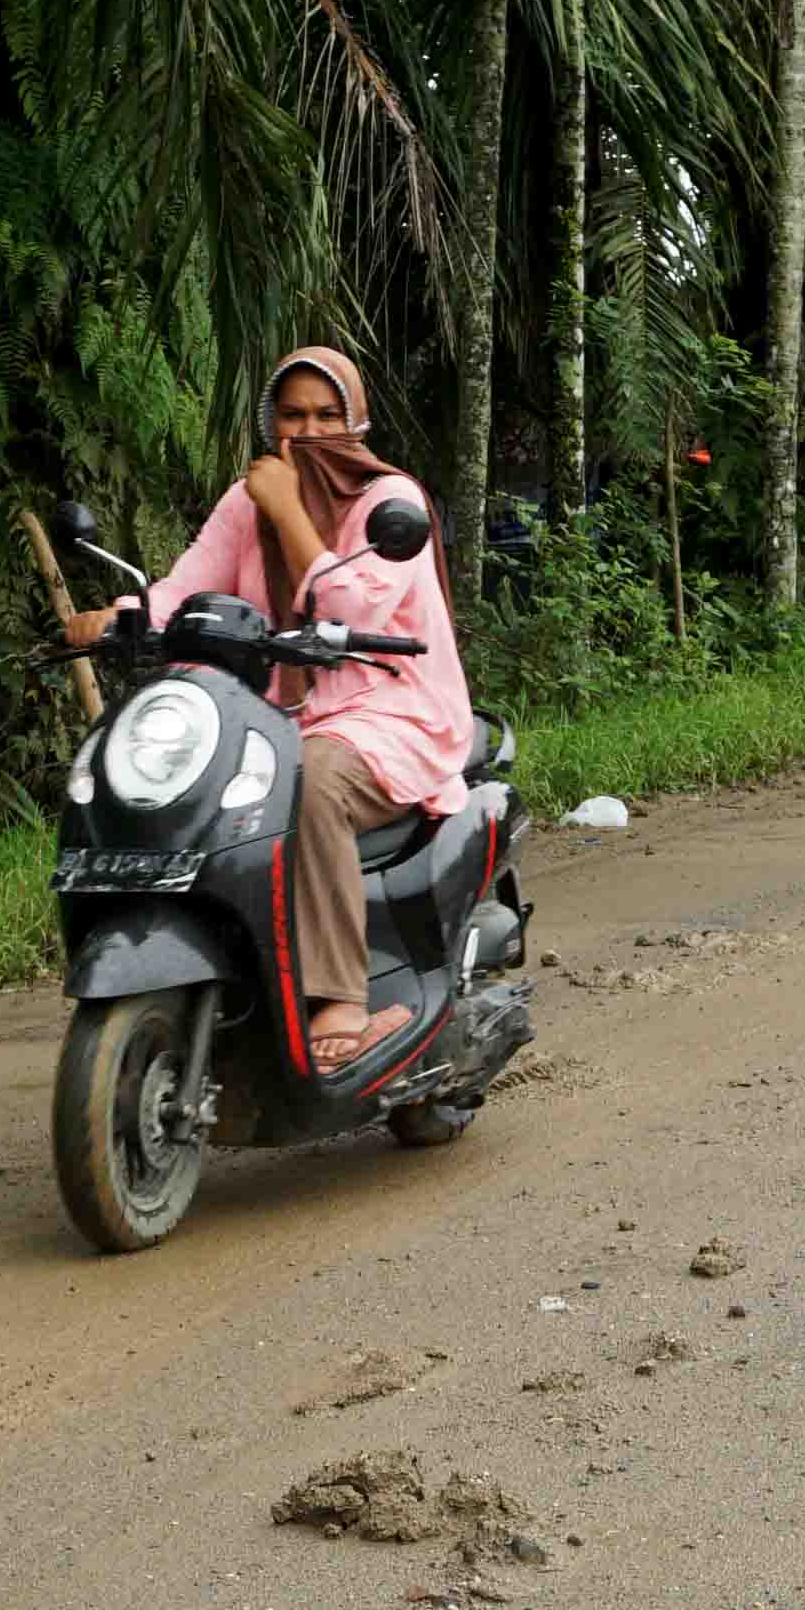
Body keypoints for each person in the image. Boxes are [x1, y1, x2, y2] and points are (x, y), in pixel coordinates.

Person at [69, 345, 470, 1070]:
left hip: (390, 711)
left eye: (326, 415)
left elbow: (353, 603)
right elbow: (186, 586)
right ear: (269, 421)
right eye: (292, 415)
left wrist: (287, 507)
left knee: (311, 780)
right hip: (279, 714)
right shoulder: (245, 499)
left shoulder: (389, 503)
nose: (307, 432)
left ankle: (341, 994)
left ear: (355, 422)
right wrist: (120, 615)